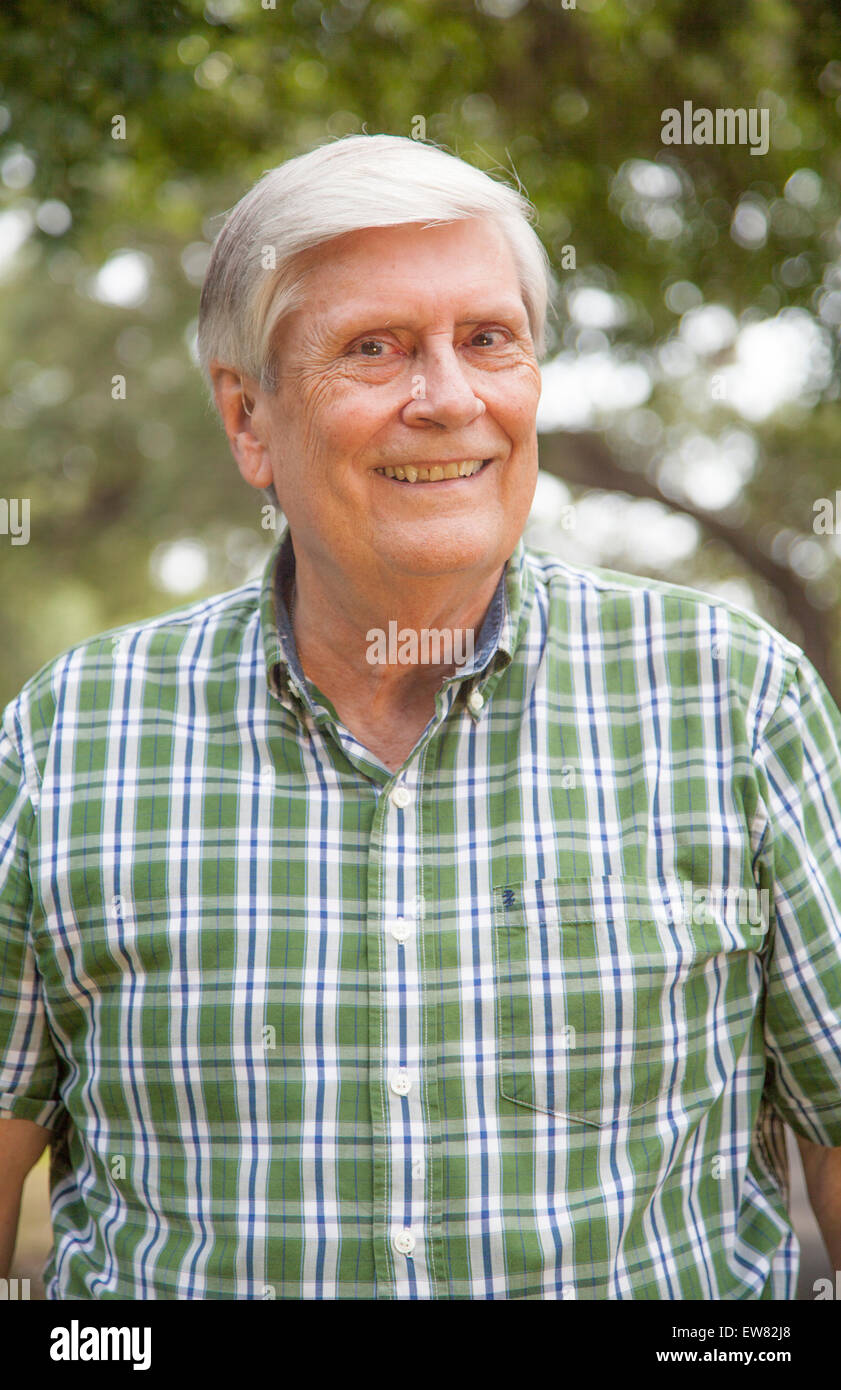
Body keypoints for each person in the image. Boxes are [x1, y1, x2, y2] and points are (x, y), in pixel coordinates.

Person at [1, 133, 840, 1302]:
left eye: (488, 339)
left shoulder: (734, 701)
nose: (446, 399)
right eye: (373, 349)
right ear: (248, 419)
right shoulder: (68, 740)